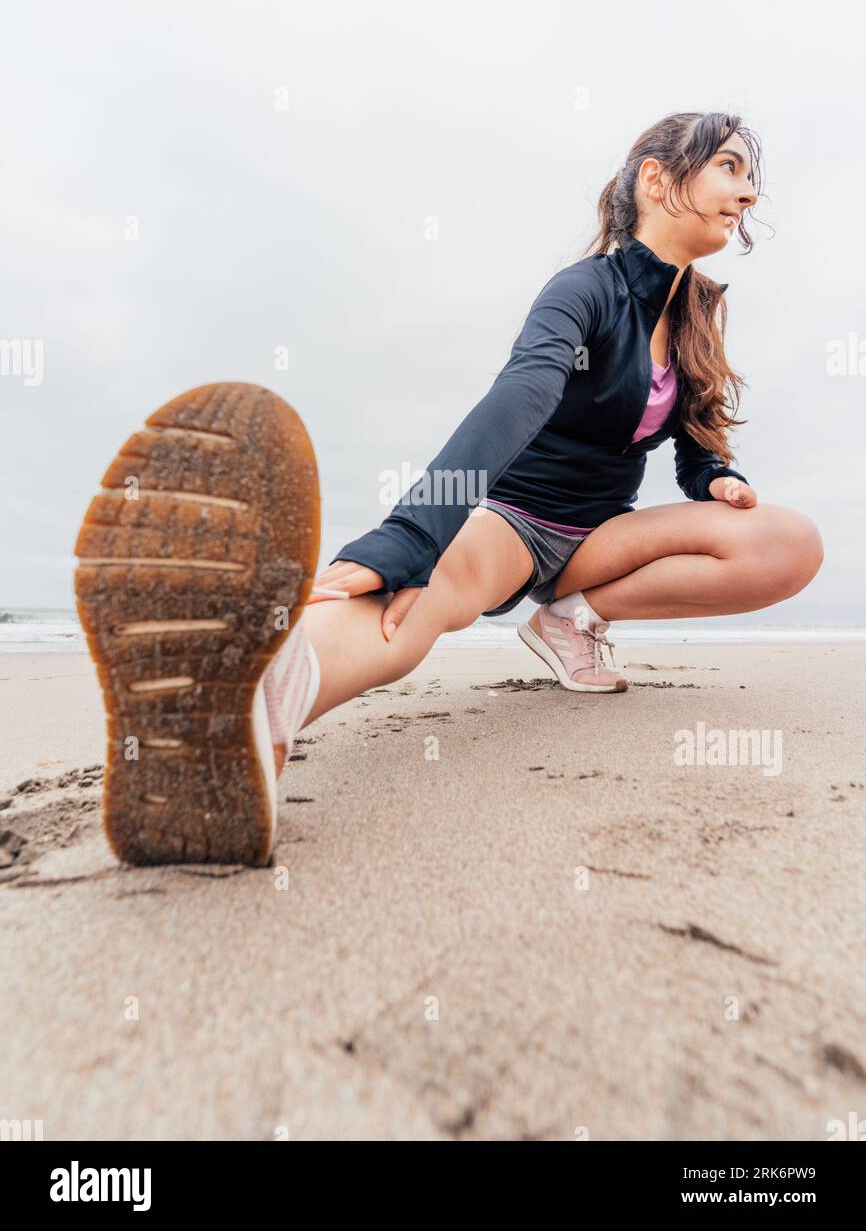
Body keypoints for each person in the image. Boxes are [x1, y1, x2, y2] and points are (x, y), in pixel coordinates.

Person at [74, 111, 824, 867]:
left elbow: (694, 440)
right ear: (658, 180)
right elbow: (521, 395)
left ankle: (571, 623)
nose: (748, 192)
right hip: (515, 523)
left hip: (599, 540)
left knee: (787, 543)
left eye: (748, 174)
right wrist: (413, 533)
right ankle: (252, 707)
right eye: (729, 168)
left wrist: (717, 478)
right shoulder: (583, 289)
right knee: (422, 597)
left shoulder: (696, 314)